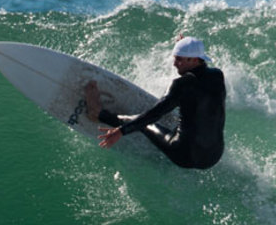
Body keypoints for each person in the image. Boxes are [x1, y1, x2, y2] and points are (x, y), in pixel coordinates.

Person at [84, 36, 226, 169]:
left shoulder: (181, 85)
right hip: (213, 157)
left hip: (184, 156)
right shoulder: (218, 76)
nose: (175, 64)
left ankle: (97, 114)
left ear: (194, 60)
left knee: (147, 123)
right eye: (175, 58)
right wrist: (186, 49)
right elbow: (199, 76)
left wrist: (122, 131)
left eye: (180, 59)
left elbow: (154, 114)